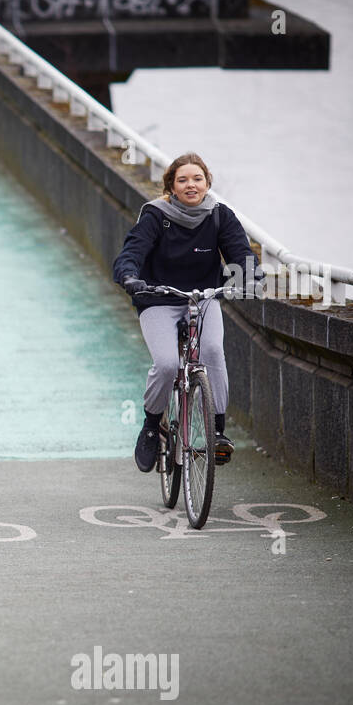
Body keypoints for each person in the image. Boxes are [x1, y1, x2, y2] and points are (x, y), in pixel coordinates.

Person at [112, 152, 262, 473]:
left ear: (208, 183)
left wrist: (251, 277)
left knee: (212, 352)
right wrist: (130, 276)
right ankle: (152, 425)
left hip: (203, 297)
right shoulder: (156, 215)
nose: (191, 185)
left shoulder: (220, 216)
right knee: (167, 365)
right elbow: (133, 251)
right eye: (183, 180)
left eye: (197, 179)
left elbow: (240, 254)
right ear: (171, 187)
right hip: (159, 298)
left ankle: (217, 431)